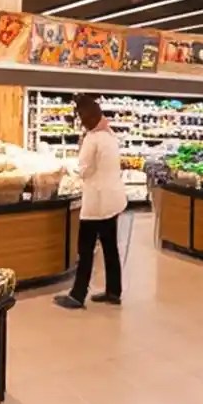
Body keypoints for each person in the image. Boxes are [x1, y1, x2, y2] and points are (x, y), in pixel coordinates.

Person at [54, 94, 127, 309]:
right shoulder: (109, 135)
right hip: (112, 200)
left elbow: (84, 171)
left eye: (82, 117)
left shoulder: (92, 139)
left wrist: (68, 168)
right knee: (110, 247)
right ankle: (114, 291)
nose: (81, 122)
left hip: (96, 202)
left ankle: (77, 295)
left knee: (85, 250)